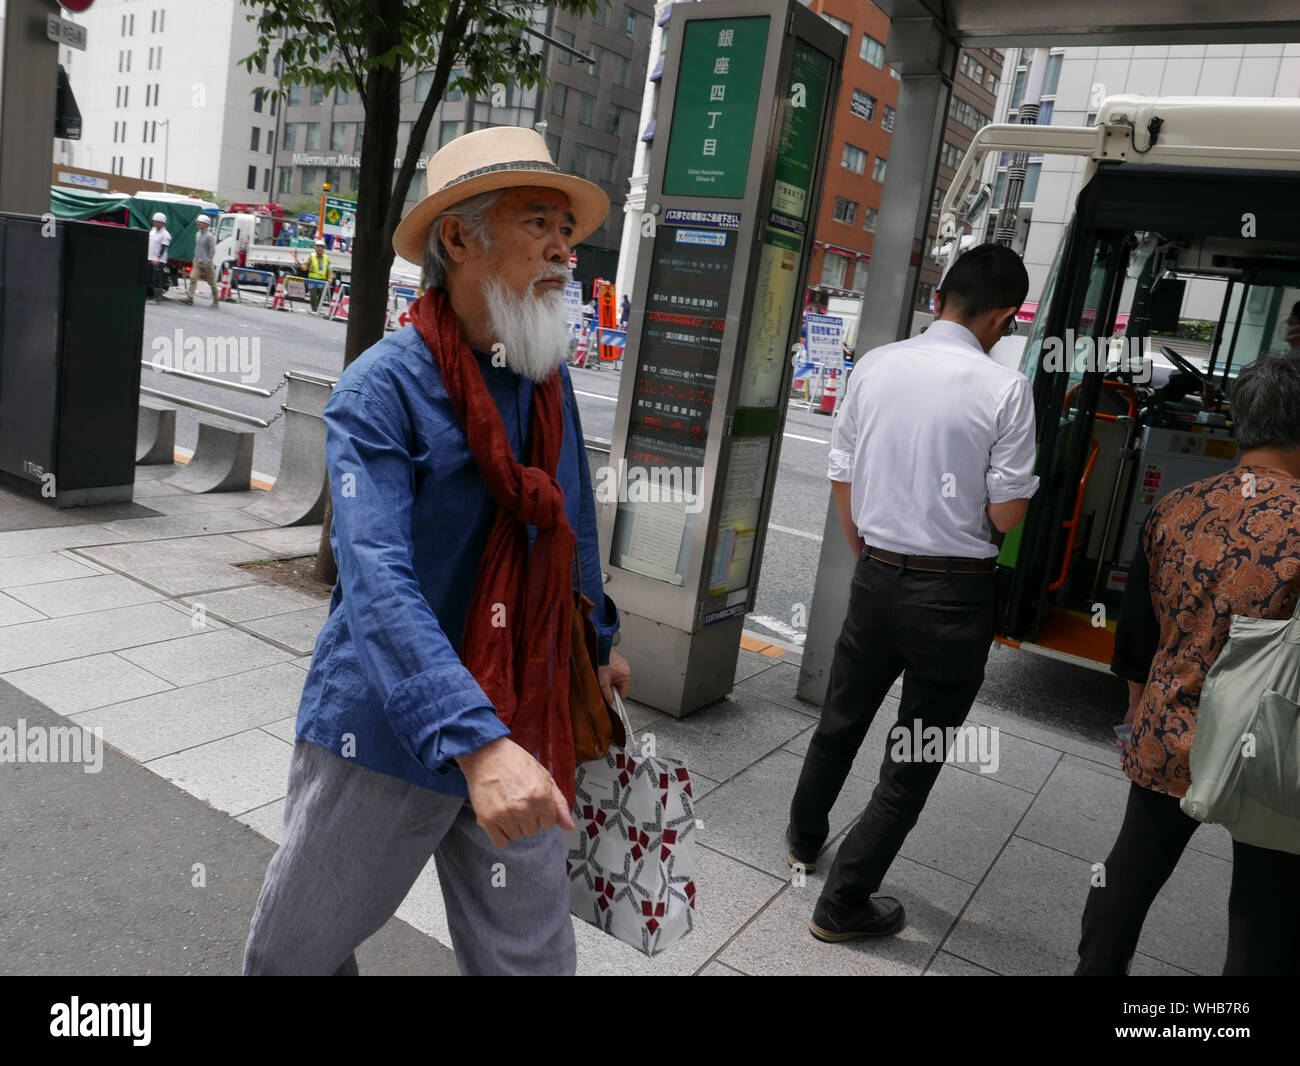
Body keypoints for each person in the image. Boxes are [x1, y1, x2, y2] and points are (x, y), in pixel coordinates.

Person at [243, 125, 631, 976]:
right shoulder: (381, 387)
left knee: (529, 963)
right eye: (541, 224)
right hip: (387, 729)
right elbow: (376, 578)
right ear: (459, 237)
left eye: (569, 231)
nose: (567, 250)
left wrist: (595, 644)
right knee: (293, 956)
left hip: (523, 713)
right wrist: (471, 739)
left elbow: (573, 521)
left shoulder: (546, 375)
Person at [786, 243, 1039, 942]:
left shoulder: (876, 365)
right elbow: (1008, 510)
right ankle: (842, 905)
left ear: (940, 300)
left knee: (842, 717)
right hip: (953, 595)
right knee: (915, 753)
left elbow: (842, 469)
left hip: (876, 575)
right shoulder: (1004, 389)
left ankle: (804, 840)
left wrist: (866, 545)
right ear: (1001, 317)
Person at [1076, 356, 1300, 976]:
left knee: (1128, 872)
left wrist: (1139, 709)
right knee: (1265, 905)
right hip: (1271, 749)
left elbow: (1136, 635)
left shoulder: (1178, 506)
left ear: (1240, 421)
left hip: (1169, 728)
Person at [182, 215, 219, 308]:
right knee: (193, 278)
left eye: (200, 222)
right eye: (198, 222)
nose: (198, 224)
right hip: (197, 261)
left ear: (206, 224)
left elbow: (212, 250)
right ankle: (190, 298)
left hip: (207, 263)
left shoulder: (210, 236)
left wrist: (209, 260)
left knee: (211, 282)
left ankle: (216, 299)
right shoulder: (197, 234)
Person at [292, 238, 332, 311]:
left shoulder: (327, 258)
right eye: (318, 247)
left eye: (321, 247)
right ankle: (314, 309)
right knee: (313, 294)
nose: (319, 249)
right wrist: (302, 267)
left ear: (323, 249)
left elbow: (330, 269)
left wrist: (330, 278)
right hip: (312, 280)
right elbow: (305, 266)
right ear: (315, 248)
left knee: (322, 295)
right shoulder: (311, 256)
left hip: (322, 280)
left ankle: (318, 308)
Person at [146, 211, 171, 302]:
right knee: (147, 277)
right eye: (154, 221)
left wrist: (158, 258)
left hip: (158, 260)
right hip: (150, 258)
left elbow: (163, 247)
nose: (155, 223)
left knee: (157, 279)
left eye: (157, 221)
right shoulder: (153, 231)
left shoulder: (166, 234)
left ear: (162, 223)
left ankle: (157, 298)